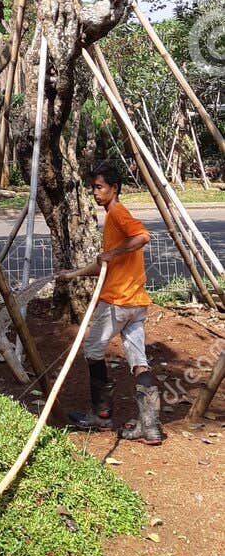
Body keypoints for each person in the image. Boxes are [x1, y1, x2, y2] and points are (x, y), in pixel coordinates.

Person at [57, 160, 163, 445]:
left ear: (114, 188)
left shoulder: (117, 212)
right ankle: (150, 427)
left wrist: (112, 253)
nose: (95, 192)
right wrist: (74, 274)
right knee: (139, 362)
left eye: (100, 187)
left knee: (92, 349)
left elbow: (142, 236)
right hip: (136, 304)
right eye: (93, 187)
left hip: (118, 302)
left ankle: (101, 415)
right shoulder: (112, 218)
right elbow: (106, 263)